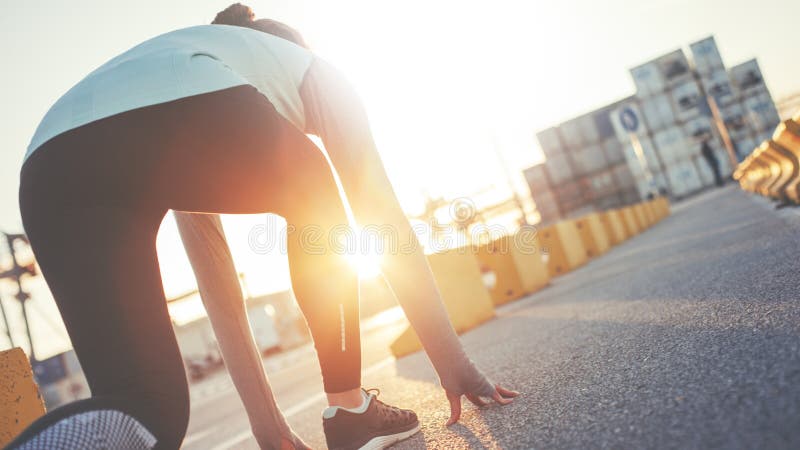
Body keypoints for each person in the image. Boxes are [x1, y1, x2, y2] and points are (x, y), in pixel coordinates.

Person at [10, 3, 517, 450]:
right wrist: (455, 363)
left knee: (147, 412)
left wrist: (267, 426)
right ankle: (349, 409)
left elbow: (221, 297)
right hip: (135, 129)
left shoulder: (189, 75)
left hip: (49, 166)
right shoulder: (310, 70)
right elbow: (379, 216)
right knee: (316, 195)